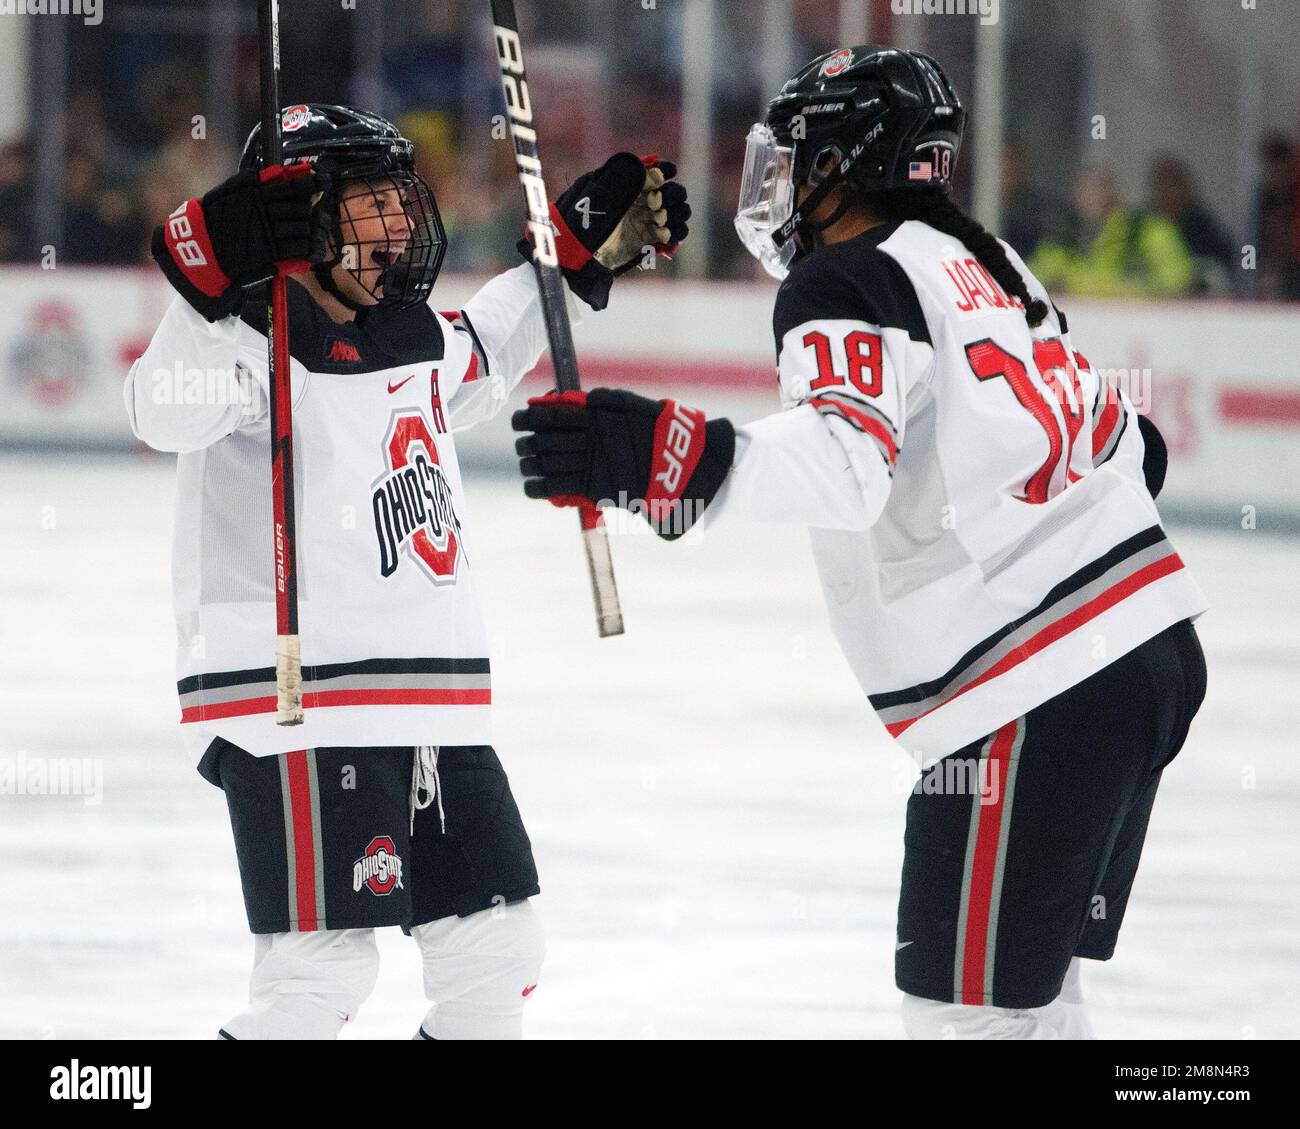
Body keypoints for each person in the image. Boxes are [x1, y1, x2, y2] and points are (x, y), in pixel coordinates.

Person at [512, 47, 1208, 1039]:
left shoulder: (842, 280)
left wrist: (659, 454)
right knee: (1034, 1001)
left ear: (842, 163)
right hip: (1148, 656)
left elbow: (845, 470)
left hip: (1036, 695)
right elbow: (1132, 450)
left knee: (960, 1016)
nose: (778, 180)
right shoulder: (984, 262)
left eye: (793, 156)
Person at [124, 104, 688, 1039]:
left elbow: (487, 347)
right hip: (297, 697)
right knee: (320, 975)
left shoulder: (411, 331)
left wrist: (567, 255)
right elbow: (158, 412)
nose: (398, 224)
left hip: (426, 694)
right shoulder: (246, 339)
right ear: (301, 218)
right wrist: (208, 273)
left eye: (399, 200)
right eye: (370, 204)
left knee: (497, 953)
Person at [1030, 167, 1195, 298]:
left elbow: (1178, 282)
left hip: (1140, 326)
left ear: (1114, 190)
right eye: (1083, 189)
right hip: (1081, 325)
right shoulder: (1063, 237)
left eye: (1097, 188)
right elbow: (1033, 278)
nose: (1089, 196)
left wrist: (1130, 291)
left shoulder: (1148, 231)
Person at [1148, 154, 1236, 294]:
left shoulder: (1205, 228)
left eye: (1175, 184)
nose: (1170, 193)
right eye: (1164, 184)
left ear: (1187, 188)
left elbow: (1224, 266)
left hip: (1196, 308)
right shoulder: (1143, 227)